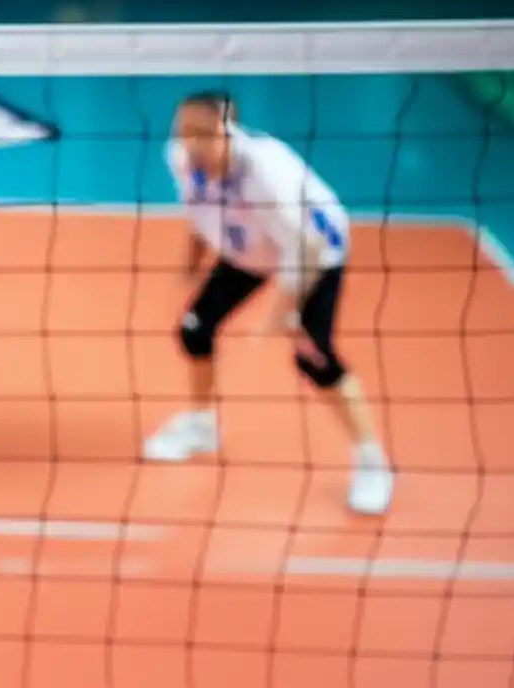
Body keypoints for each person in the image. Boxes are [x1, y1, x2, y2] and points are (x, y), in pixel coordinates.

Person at [146, 91, 394, 516]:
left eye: (205, 134)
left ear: (231, 134)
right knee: (194, 331)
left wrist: (279, 317)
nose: (192, 143)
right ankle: (201, 426)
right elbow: (199, 208)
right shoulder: (180, 156)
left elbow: (307, 249)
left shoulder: (266, 175)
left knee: (314, 358)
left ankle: (373, 463)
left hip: (314, 250)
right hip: (250, 248)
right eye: (184, 132)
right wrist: (192, 263)